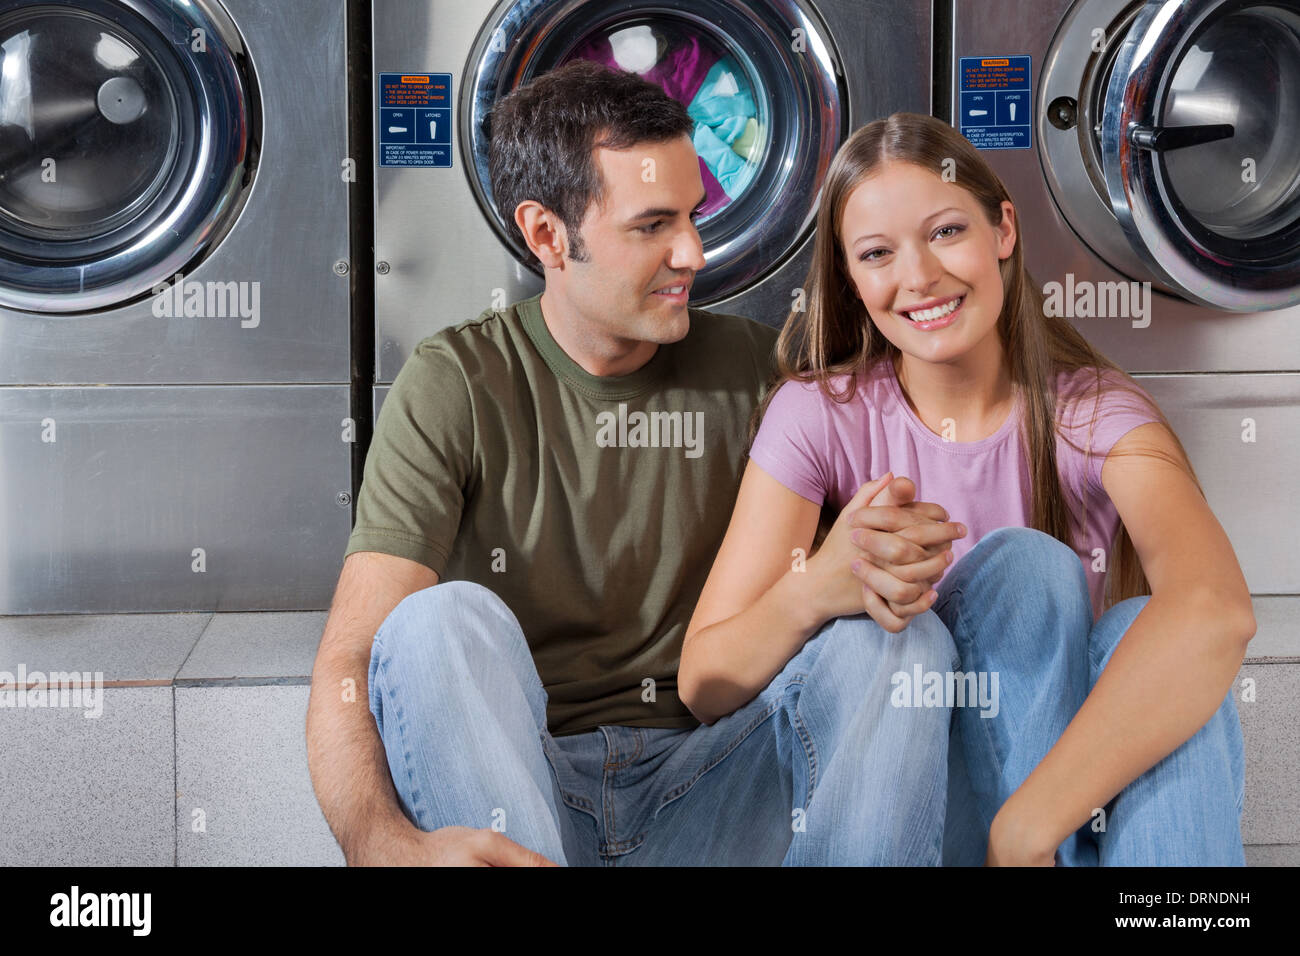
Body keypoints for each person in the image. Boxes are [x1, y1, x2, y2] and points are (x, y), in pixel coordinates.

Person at [305, 63, 959, 866]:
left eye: (694, 214)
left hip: (719, 779)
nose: (693, 251)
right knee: (432, 623)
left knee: (897, 643)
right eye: (653, 226)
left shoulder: (762, 372)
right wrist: (381, 846)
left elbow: (866, 579)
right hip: (527, 795)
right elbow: (352, 659)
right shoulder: (458, 382)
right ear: (548, 235)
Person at [683, 111, 1255, 865]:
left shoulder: (1093, 414)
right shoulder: (822, 414)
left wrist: (1026, 828)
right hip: (902, 806)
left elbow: (1216, 612)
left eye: (947, 232)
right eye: (878, 253)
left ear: (1003, 232)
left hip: (1045, 819)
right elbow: (703, 685)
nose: (919, 276)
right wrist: (819, 585)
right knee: (1032, 569)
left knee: (1143, 635)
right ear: (852, 280)